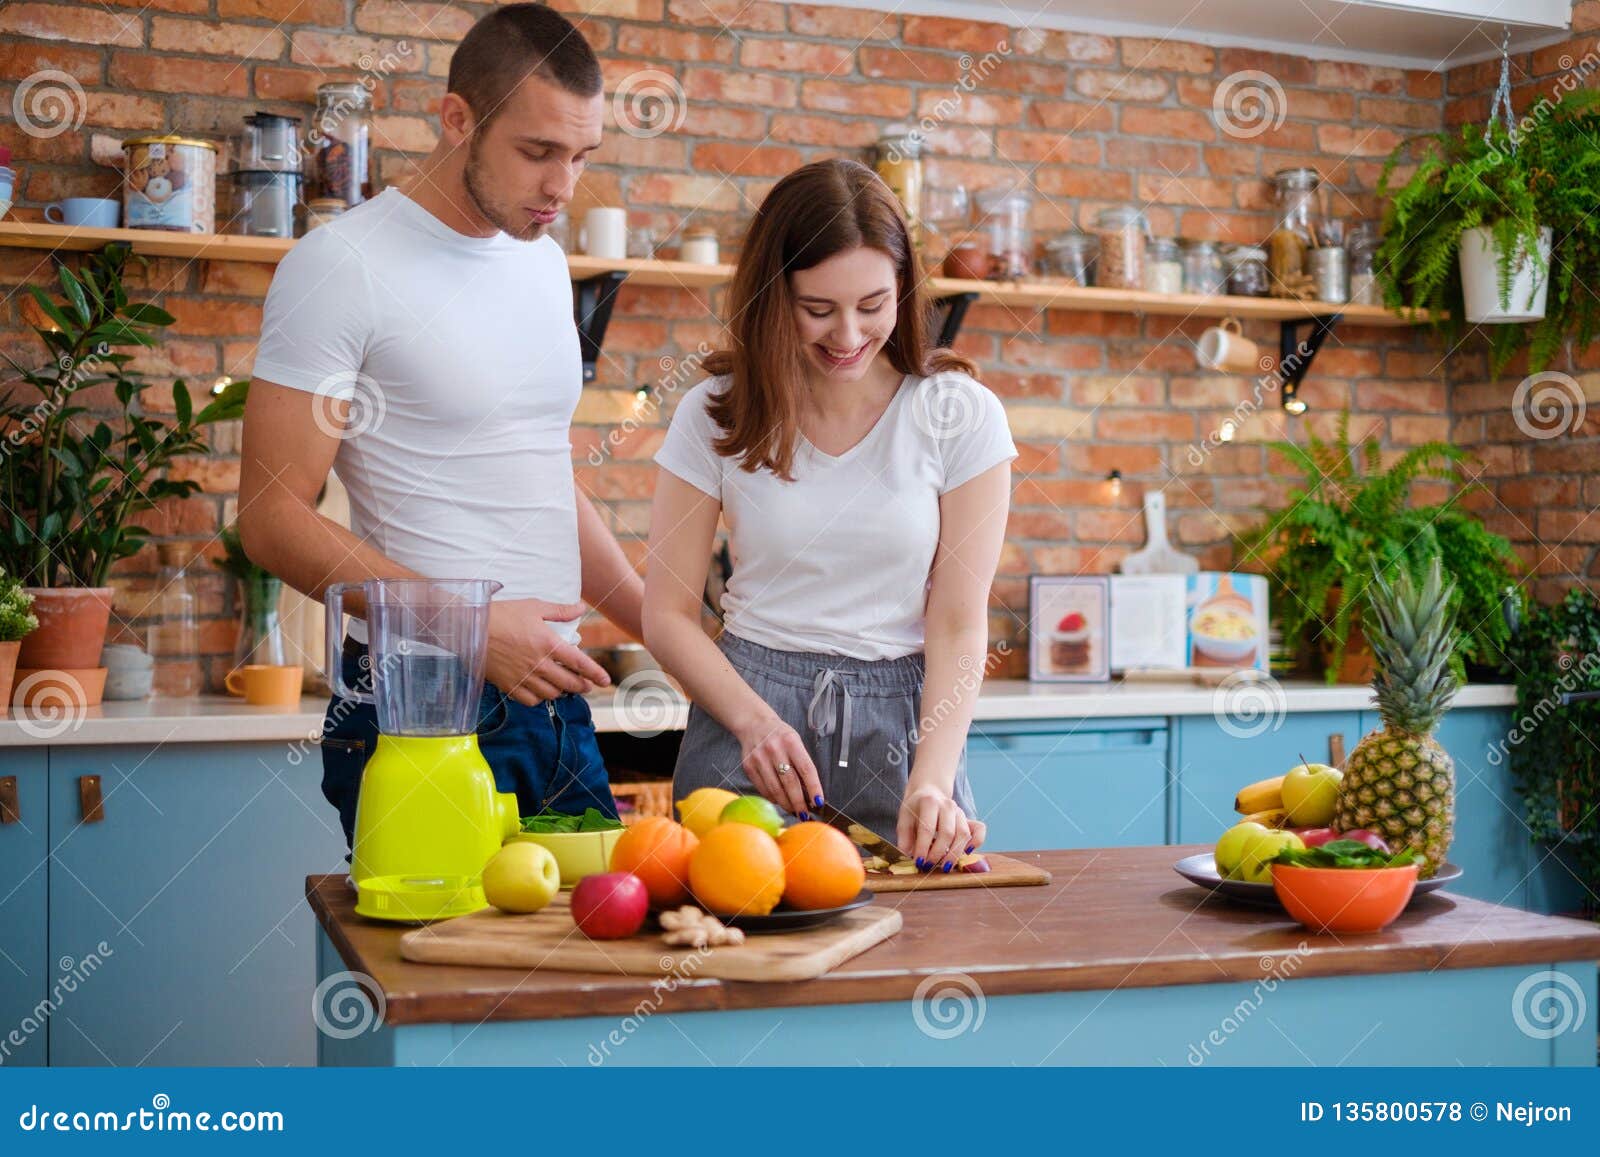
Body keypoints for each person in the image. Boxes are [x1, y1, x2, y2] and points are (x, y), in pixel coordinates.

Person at [239, 5, 641, 850]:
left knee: (591, 974)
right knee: (443, 976)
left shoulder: (539, 259)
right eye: (538, 152)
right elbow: (272, 521)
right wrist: (470, 625)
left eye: (581, 157)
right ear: (458, 119)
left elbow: (538, 477)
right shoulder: (340, 266)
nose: (562, 187)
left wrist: (669, 627)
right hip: (420, 699)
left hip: (553, 693)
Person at [644, 159, 1015, 871]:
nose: (847, 334)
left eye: (873, 304)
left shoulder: (957, 414)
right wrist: (753, 721)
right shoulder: (716, 412)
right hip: (748, 713)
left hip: (906, 724)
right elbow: (665, 613)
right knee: (738, 941)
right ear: (771, 295)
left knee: (920, 947)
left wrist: (933, 777)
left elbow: (959, 620)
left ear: (904, 289)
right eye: (818, 309)